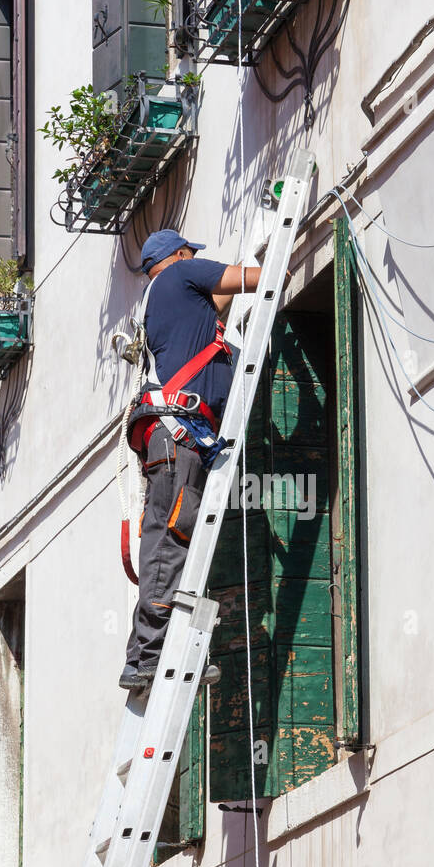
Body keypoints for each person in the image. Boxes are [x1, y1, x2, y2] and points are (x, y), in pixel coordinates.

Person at [119, 228, 262, 691]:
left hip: (173, 441)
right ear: (178, 256)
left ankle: (161, 652)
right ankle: (147, 658)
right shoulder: (183, 272)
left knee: (174, 541)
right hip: (180, 439)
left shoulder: (165, 303)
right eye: (191, 254)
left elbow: (216, 307)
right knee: (170, 544)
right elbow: (254, 279)